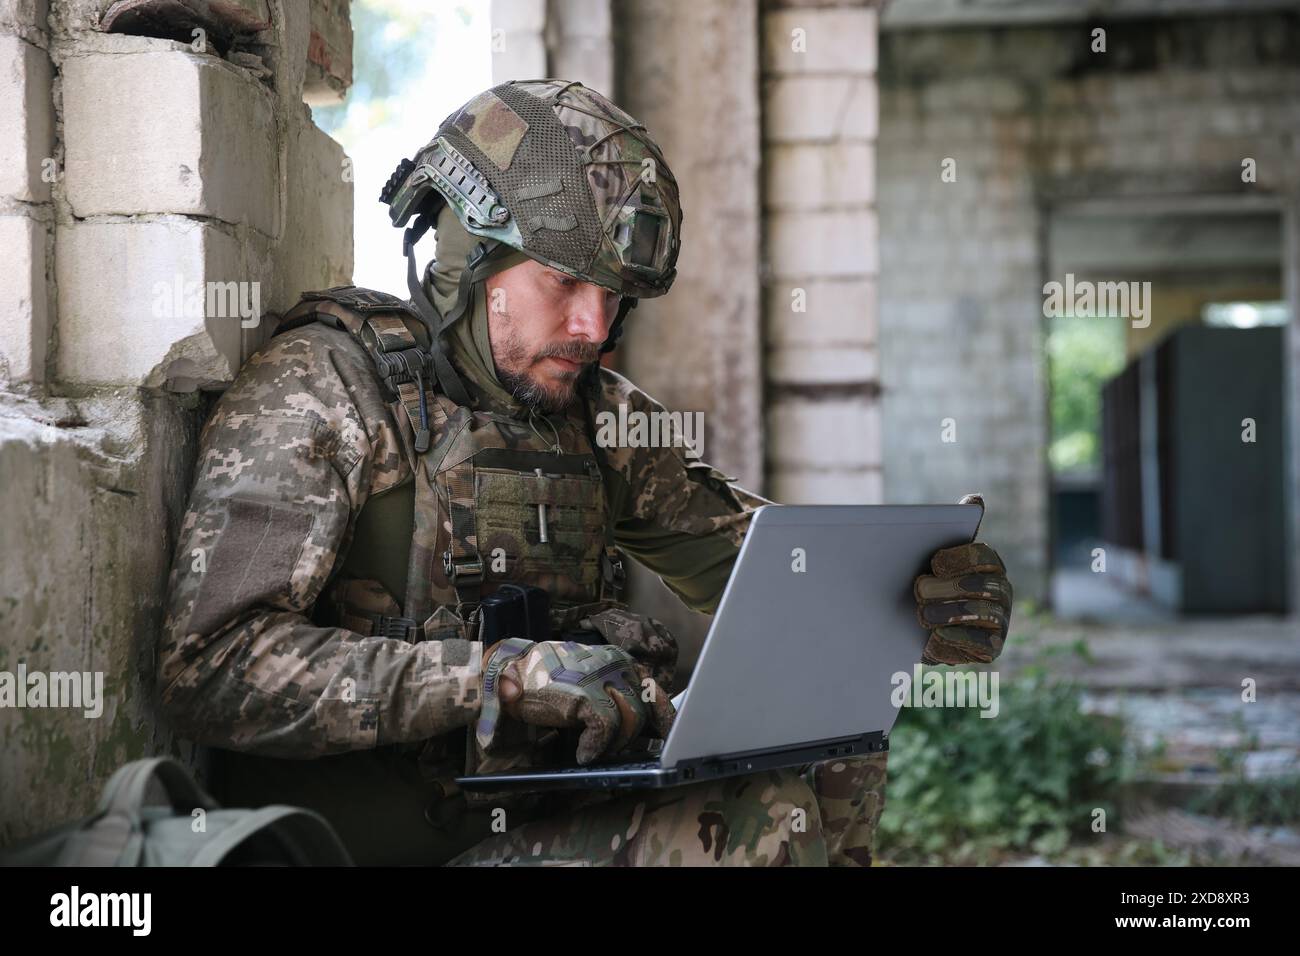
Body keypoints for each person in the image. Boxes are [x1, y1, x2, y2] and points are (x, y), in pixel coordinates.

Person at [159, 79, 1013, 866]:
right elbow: (211, 670)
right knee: (749, 829)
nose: (593, 327)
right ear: (470, 259)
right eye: (564, 281)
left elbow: (768, 568)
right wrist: (495, 677)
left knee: (837, 757)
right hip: (375, 847)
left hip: (549, 820)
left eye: (616, 298)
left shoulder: (598, 415)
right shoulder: (324, 386)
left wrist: (914, 599)